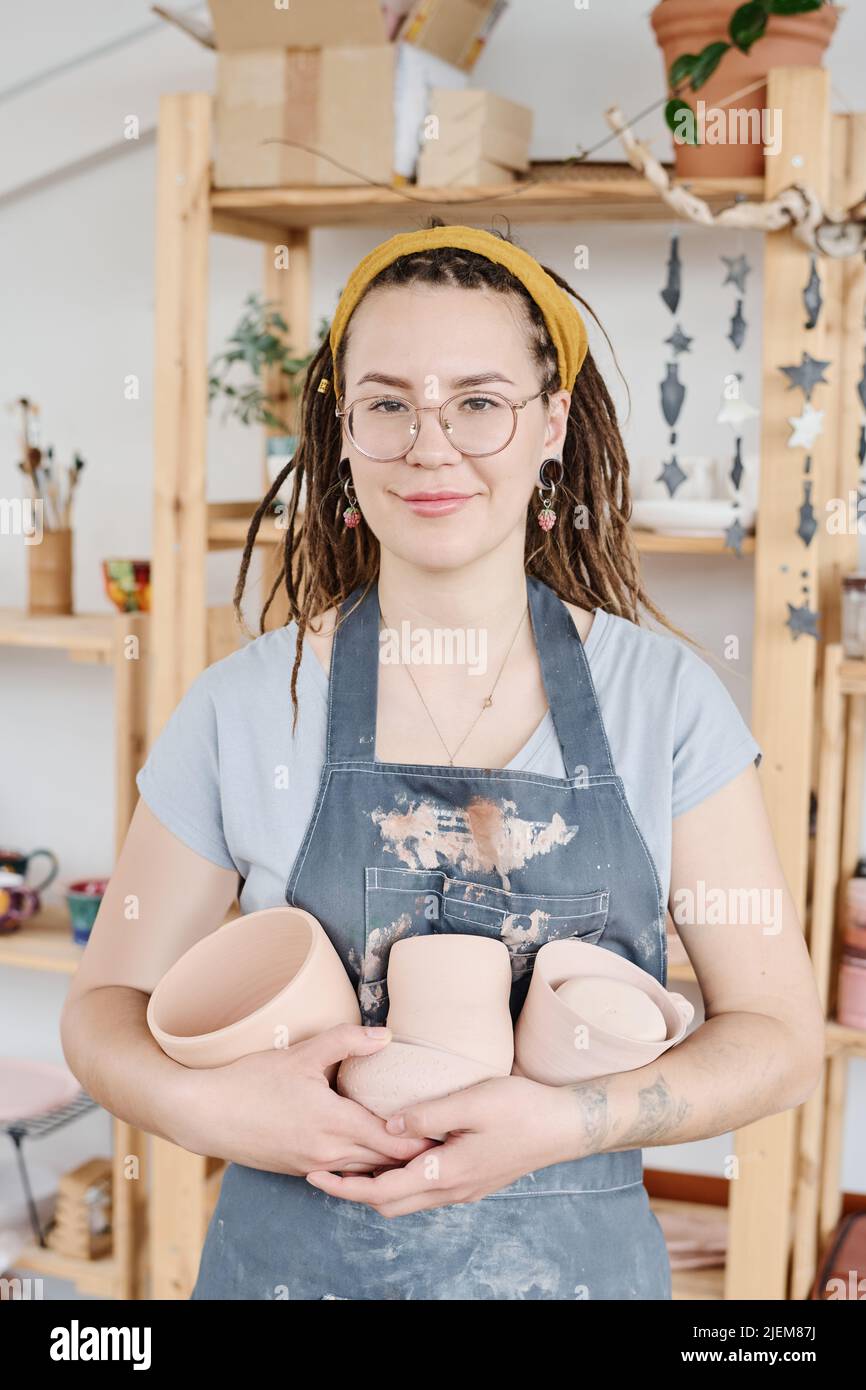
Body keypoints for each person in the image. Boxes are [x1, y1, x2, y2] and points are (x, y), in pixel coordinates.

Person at [61, 223, 824, 1301]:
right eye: (387, 403)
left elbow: (781, 1037)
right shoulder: (241, 707)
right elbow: (103, 1007)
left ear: (550, 423)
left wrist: (563, 1118)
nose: (431, 445)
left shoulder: (666, 705)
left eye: (478, 400)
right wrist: (221, 1111)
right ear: (343, 429)